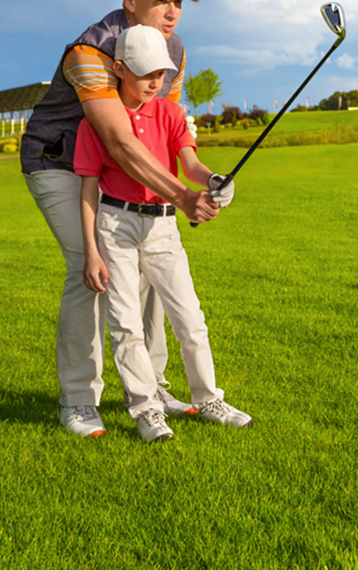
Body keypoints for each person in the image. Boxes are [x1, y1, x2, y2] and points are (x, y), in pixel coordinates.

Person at [20, 0, 221, 437]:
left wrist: (196, 179)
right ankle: (78, 400)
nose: (172, 12)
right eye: (160, 1)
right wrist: (183, 195)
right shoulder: (88, 52)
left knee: (149, 267)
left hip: (115, 166)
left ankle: (152, 387)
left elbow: (160, 131)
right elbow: (118, 140)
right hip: (59, 162)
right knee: (89, 269)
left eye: (179, 2)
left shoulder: (173, 48)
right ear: (130, 2)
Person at [76, 24, 252, 442]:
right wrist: (90, 252)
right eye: (144, 74)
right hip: (115, 225)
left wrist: (214, 180)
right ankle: (147, 409)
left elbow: (190, 166)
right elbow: (87, 189)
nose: (155, 82)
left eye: (161, 74)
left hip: (162, 225)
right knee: (126, 324)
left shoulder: (171, 114)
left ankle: (208, 398)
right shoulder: (98, 123)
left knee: (190, 317)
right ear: (119, 69)